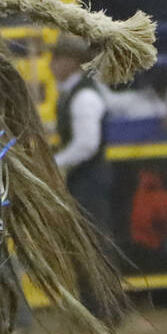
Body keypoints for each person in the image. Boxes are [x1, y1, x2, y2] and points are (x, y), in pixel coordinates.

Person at [49, 33, 113, 241]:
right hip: (81, 179)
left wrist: (56, 162)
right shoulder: (71, 93)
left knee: (92, 238)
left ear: (72, 62)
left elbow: (87, 144)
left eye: (57, 58)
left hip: (89, 180)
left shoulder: (85, 96)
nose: (52, 64)